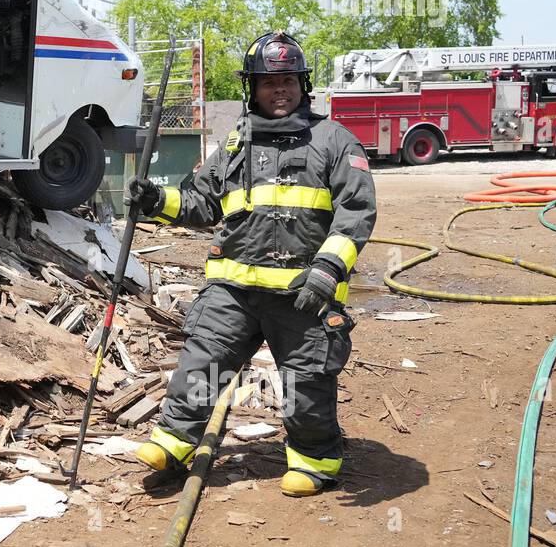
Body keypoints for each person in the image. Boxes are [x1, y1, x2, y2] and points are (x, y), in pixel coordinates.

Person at [127, 31, 377, 496]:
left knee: (307, 386)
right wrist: (156, 199)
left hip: (304, 294)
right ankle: (176, 441)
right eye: (267, 82)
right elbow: (203, 203)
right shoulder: (235, 142)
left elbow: (356, 212)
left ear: (302, 84)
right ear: (252, 88)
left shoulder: (335, 141)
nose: (278, 90)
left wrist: (326, 271)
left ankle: (315, 459)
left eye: (287, 81)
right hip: (234, 289)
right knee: (203, 366)